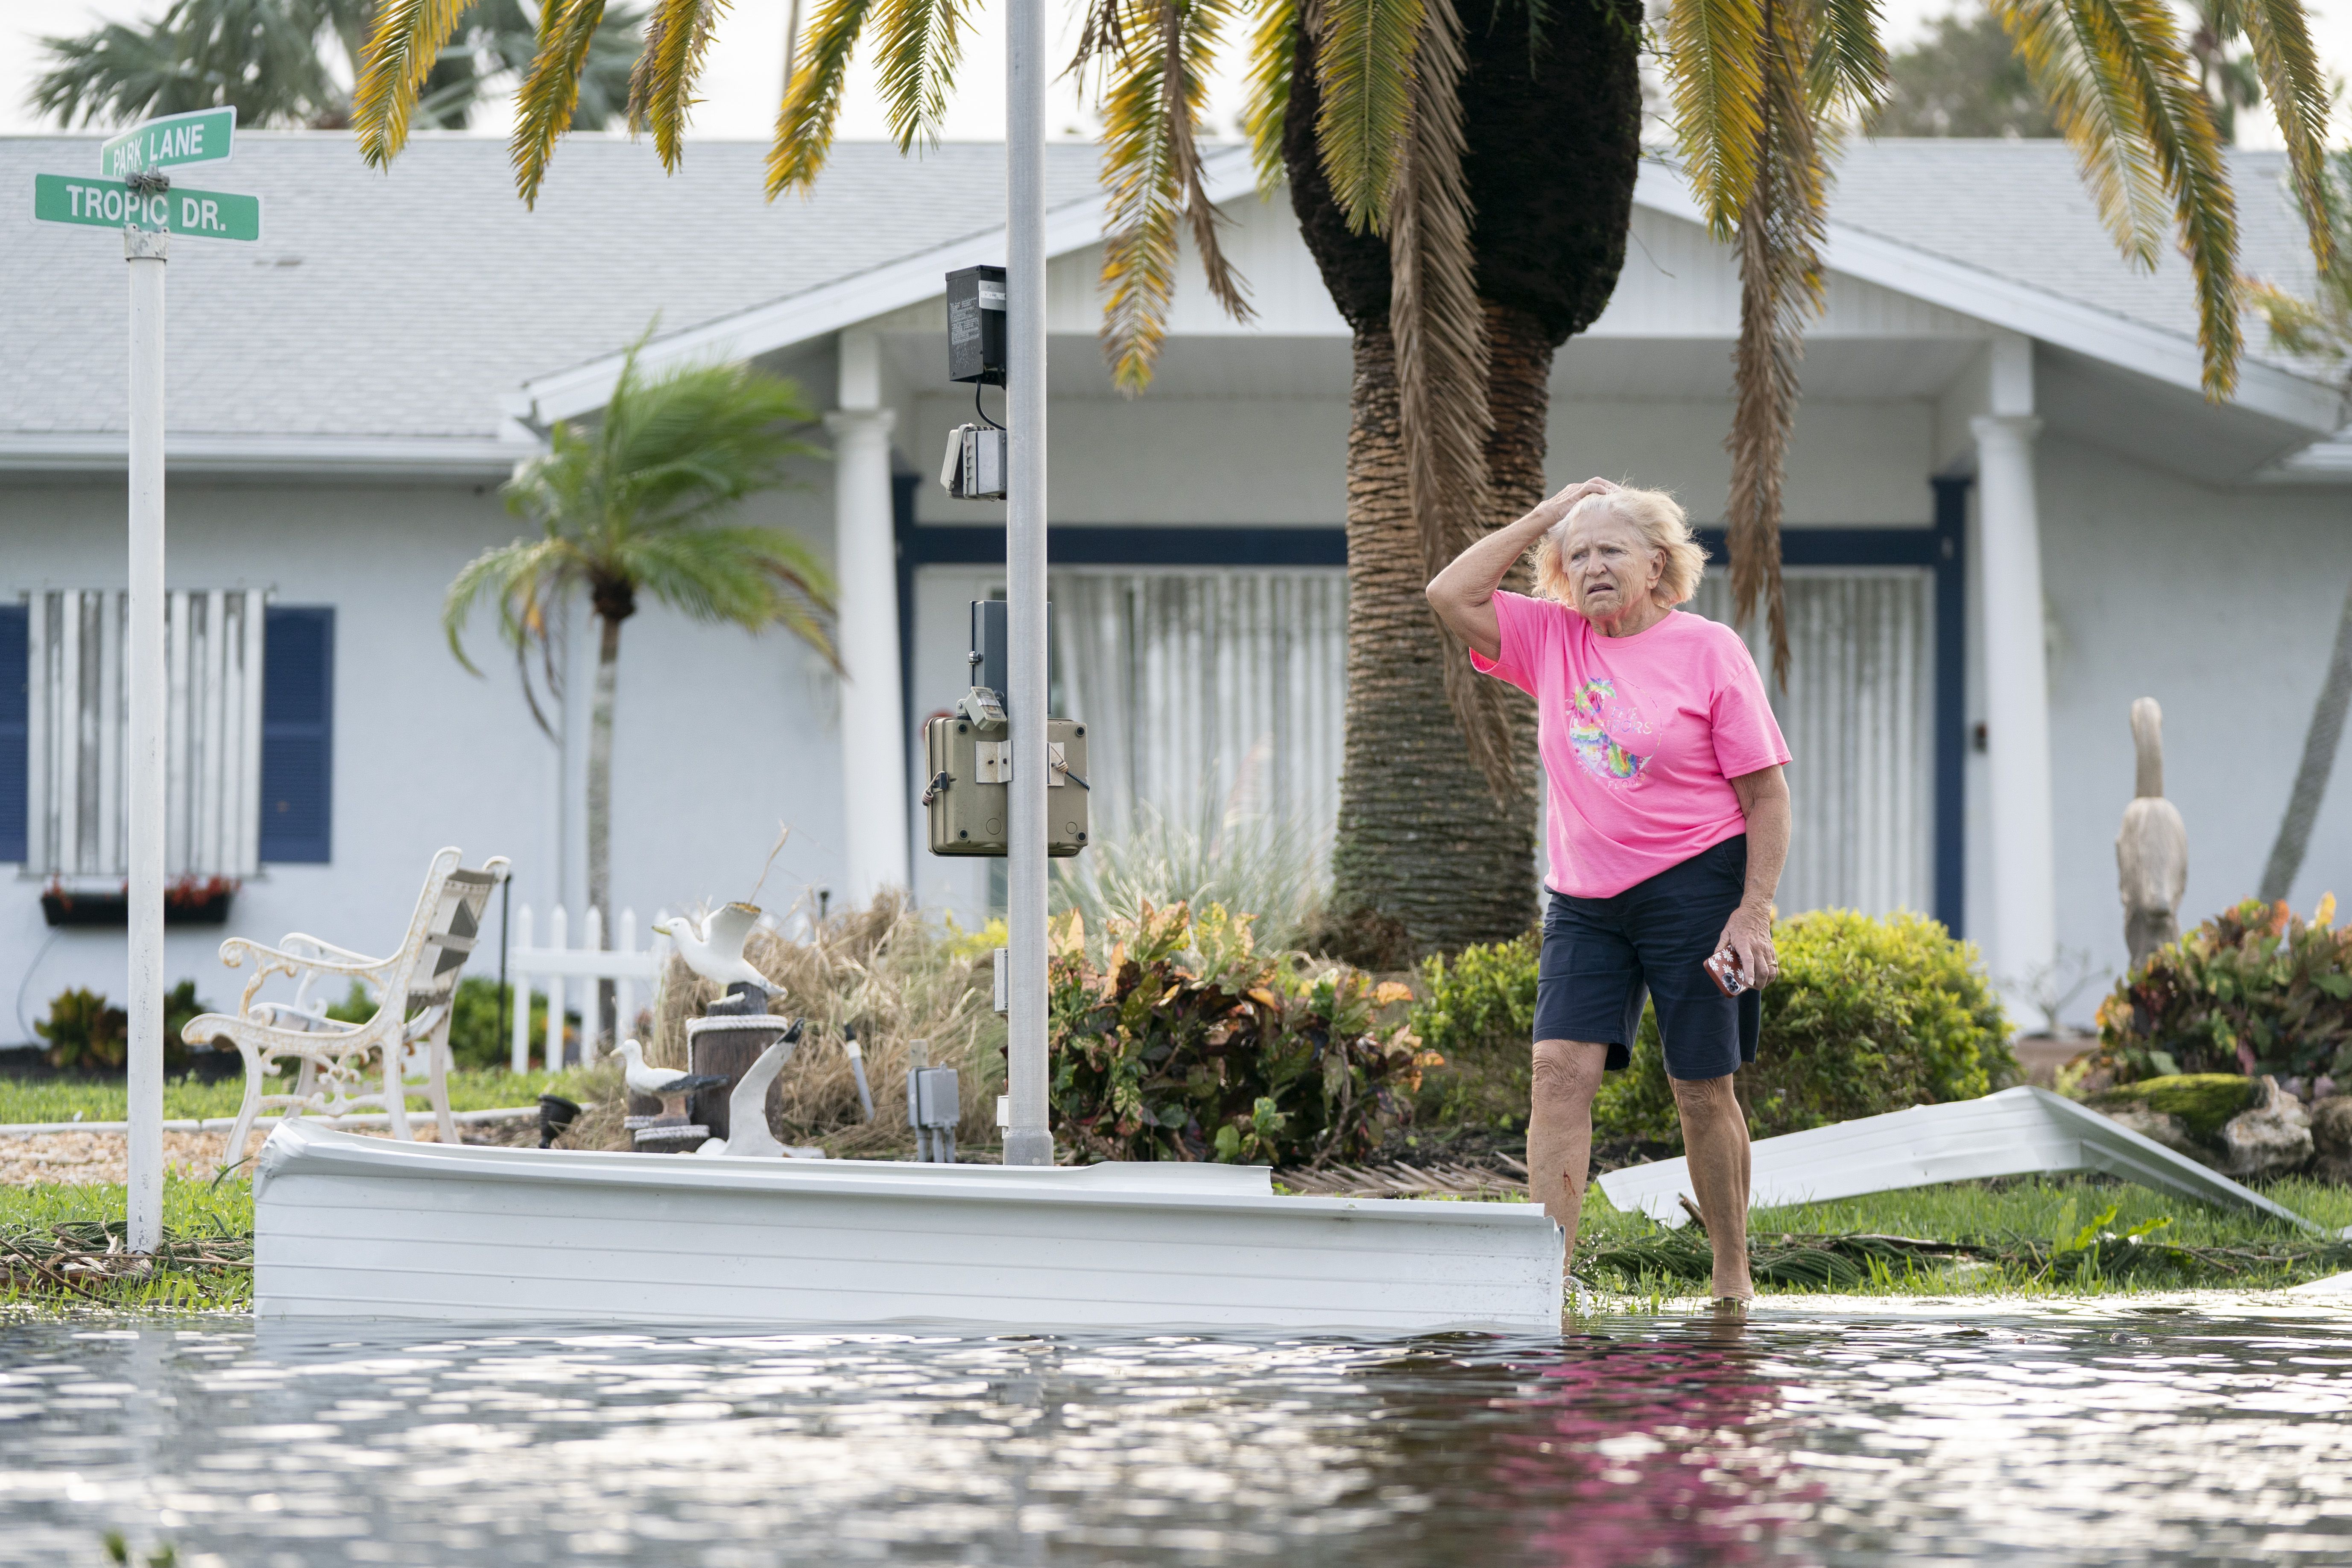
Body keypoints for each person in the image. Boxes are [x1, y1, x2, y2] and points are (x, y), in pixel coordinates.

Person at [1426, 477, 1791, 1303]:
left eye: (1611, 550)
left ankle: (1732, 1276)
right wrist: (1547, 517)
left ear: (1657, 563)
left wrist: (1752, 910)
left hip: (1698, 889)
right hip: (1586, 901)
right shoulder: (1551, 640)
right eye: (1577, 554)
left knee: (1703, 1087)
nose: (1591, 566)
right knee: (1556, 1074)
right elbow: (1450, 592)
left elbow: (1767, 796)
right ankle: (1541, 1284)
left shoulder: (1709, 650)